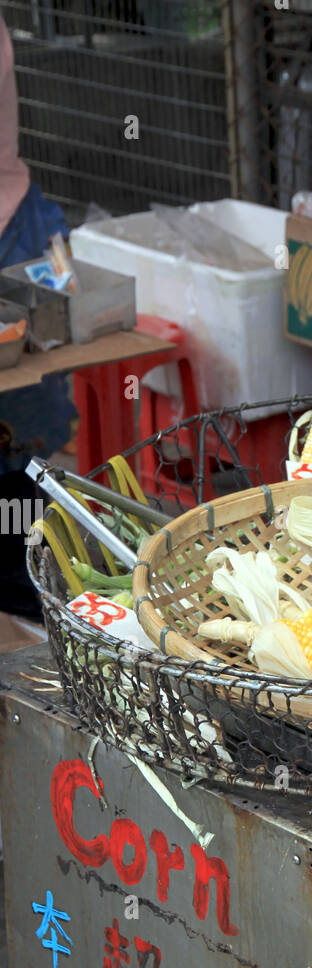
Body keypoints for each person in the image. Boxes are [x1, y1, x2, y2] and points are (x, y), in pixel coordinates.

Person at [0, 13, 76, 618]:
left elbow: (63, 292)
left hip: (16, 221)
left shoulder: (34, 225)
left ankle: (34, 611)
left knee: (20, 508)